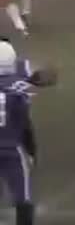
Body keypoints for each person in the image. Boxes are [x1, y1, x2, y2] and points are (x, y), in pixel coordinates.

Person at [0, 43, 35, 225]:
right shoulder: (17, 88)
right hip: (12, 149)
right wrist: (32, 150)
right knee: (23, 198)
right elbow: (25, 123)